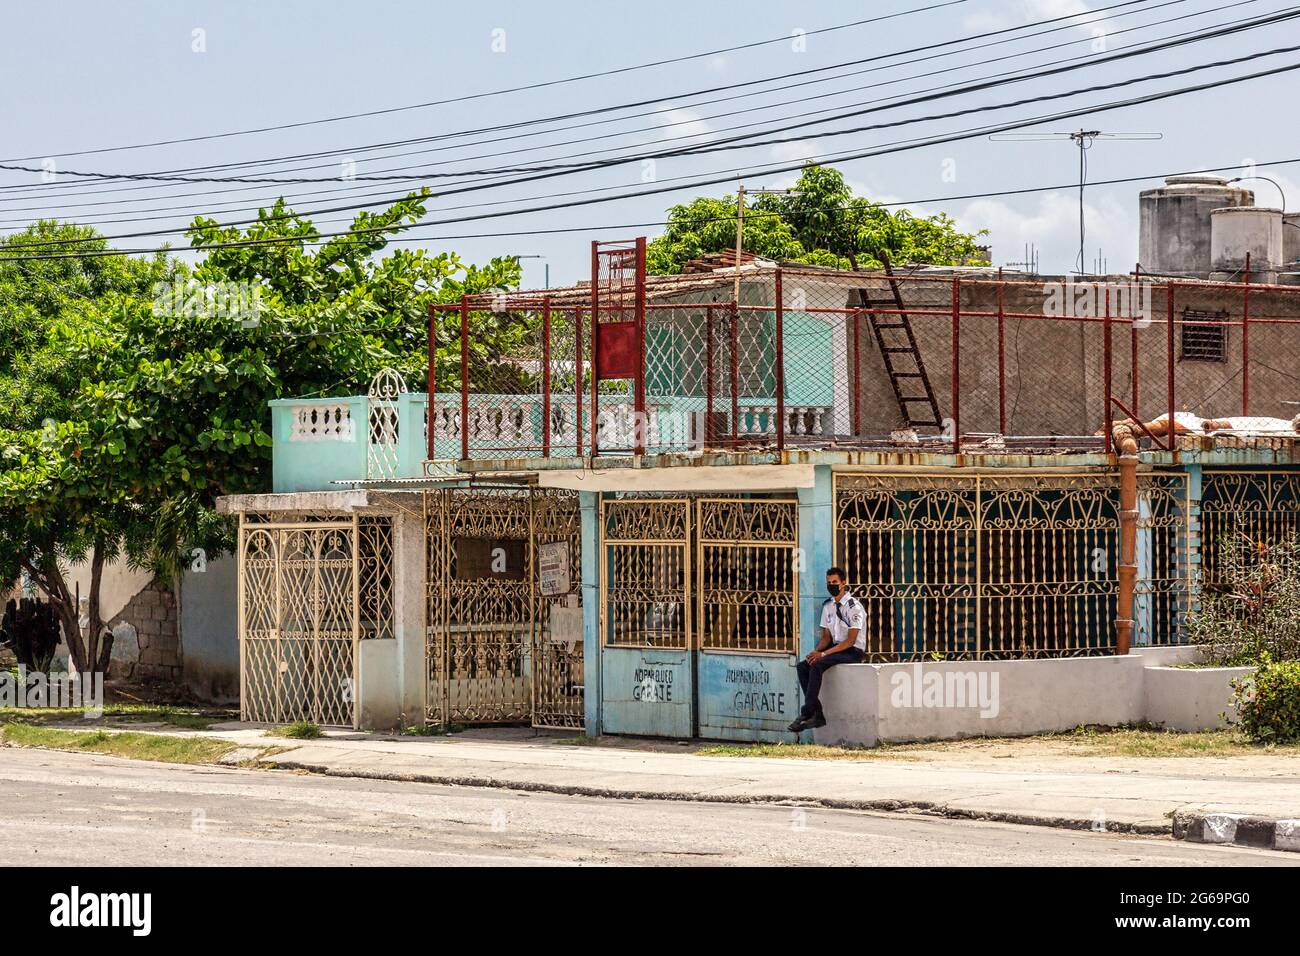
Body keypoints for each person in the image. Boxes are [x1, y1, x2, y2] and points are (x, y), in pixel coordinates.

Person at [788, 567, 866, 733]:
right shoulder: (828, 606)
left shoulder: (854, 608)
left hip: (852, 650)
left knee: (818, 665)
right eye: (829, 583)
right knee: (804, 666)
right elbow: (826, 638)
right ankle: (817, 713)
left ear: (843, 583)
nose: (831, 585)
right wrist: (816, 652)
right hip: (836, 648)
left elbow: (851, 641)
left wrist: (823, 655)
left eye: (835, 582)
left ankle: (807, 712)